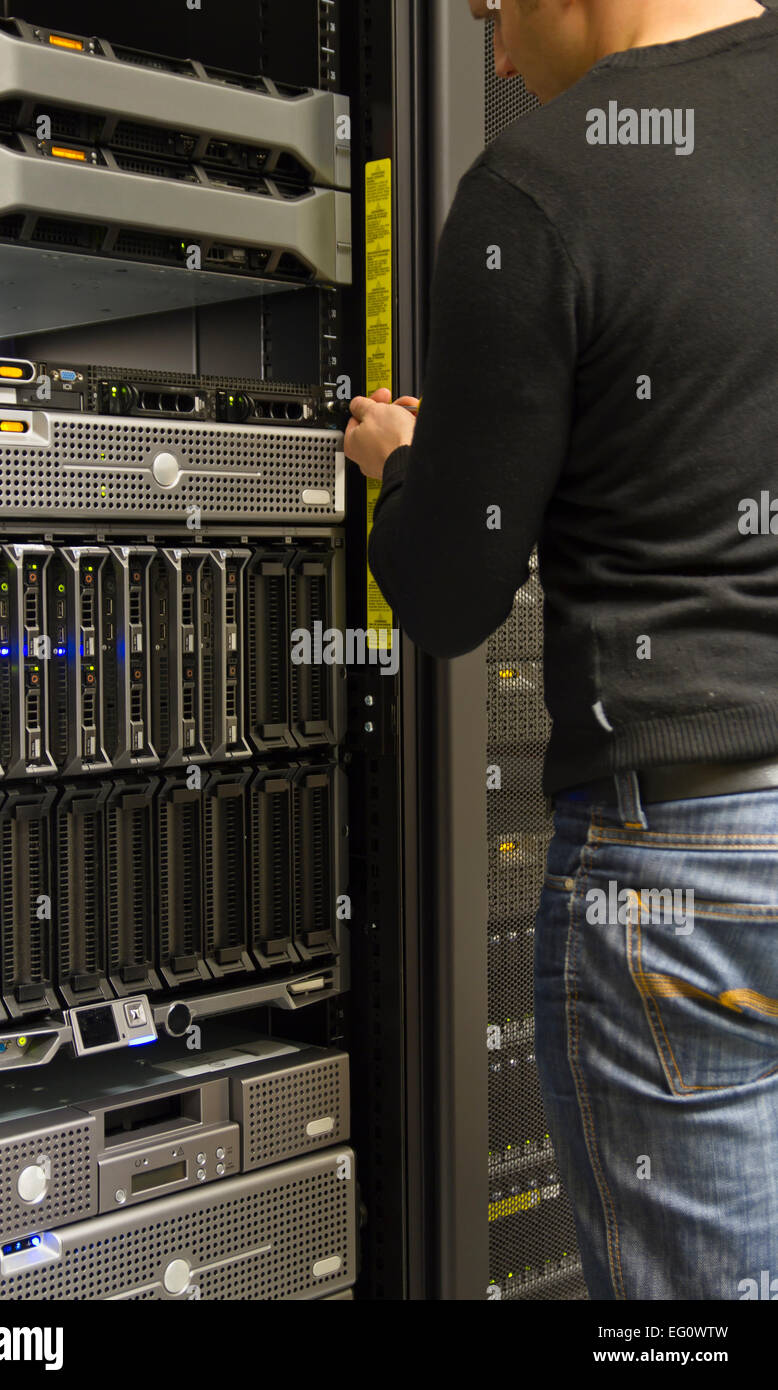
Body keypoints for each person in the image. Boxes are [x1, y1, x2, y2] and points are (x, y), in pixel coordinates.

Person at [344, 0, 778, 1301]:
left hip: (684, 865)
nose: (489, 52)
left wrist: (401, 467)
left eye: (486, 11)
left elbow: (449, 591)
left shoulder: (543, 184)